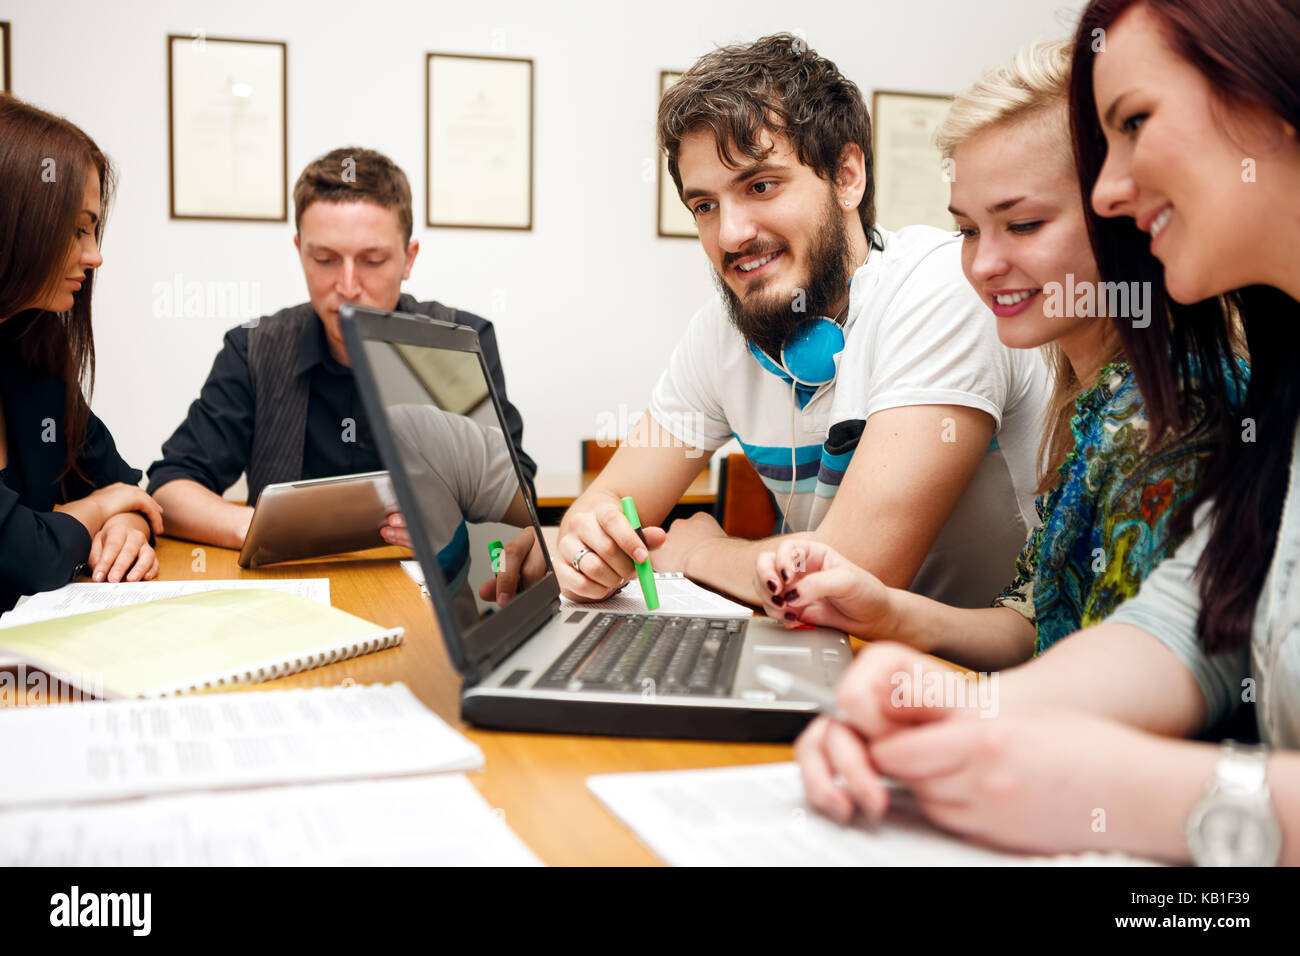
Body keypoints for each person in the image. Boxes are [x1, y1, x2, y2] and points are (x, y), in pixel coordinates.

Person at [790, 0, 1300, 866]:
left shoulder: (1188, 400)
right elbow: (1184, 626)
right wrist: (948, 709)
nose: (1111, 190)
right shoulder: (1273, 392)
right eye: (967, 231)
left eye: (1135, 123)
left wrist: (1130, 791)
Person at [502, 34, 1048, 613]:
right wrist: (584, 545)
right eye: (705, 206)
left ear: (846, 177)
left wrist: (700, 552)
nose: (731, 234)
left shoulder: (943, 288)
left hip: (979, 680)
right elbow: (608, 502)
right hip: (839, 663)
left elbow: (851, 576)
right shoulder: (720, 333)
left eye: (760, 186)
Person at [753, 39, 1237, 669]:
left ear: (1124, 212)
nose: (983, 265)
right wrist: (885, 611)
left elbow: (1121, 690)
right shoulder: (1090, 401)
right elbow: (1033, 621)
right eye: (968, 230)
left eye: (1025, 224)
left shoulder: (1169, 414)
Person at [147, 147, 535, 549]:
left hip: (434, 591)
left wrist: (448, 521)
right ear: (300, 252)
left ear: (408, 258)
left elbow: (519, 501)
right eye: (326, 258)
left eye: (372, 260)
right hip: (291, 591)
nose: (348, 286)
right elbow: (171, 487)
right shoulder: (252, 348)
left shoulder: (463, 342)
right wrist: (266, 527)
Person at [0, 97, 163, 613]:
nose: (94, 255)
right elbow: (26, 555)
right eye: (76, 230)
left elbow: (126, 486)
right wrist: (99, 507)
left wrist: (126, 526)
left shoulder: (27, 357)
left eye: (92, 229)